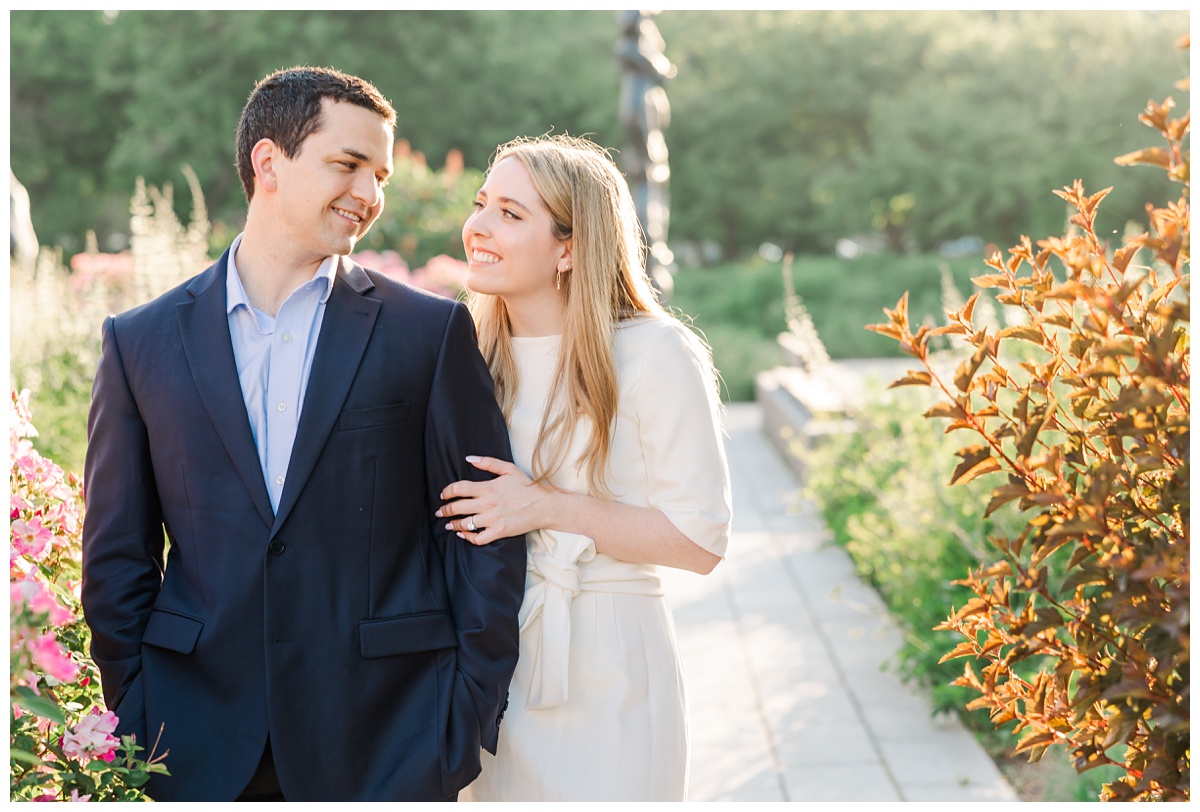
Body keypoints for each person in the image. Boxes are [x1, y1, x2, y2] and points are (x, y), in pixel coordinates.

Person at [80, 66, 527, 802]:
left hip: (388, 738)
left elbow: (483, 535)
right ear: (268, 163)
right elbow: (117, 556)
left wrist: (462, 718)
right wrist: (136, 710)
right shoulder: (141, 342)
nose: (371, 195)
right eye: (348, 165)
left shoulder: (429, 333)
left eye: (379, 174)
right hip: (194, 741)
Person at [440, 134, 732, 801]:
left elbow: (701, 541)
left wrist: (546, 506)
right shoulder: (465, 358)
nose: (478, 227)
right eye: (482, 203)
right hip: (493, 667)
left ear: (569, 247)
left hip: (612, 666)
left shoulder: (656, 354)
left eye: (511, 214)